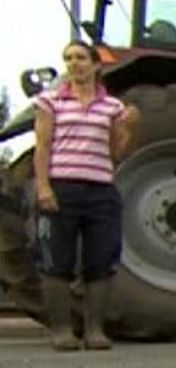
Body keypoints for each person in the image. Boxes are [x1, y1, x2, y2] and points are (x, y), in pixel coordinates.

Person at [34, 40, 139, 351]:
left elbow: (116, 153)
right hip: (62, 187)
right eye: (68, 58)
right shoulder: (50, 101)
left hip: (100, 190)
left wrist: (132, 129)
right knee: (56, 261)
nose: (73, 64)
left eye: (80, 58)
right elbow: (42, 146)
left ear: (96, 65)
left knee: (101, 260)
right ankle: (62, 330)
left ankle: (95, 330)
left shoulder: (112, 107)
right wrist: (43, 186)